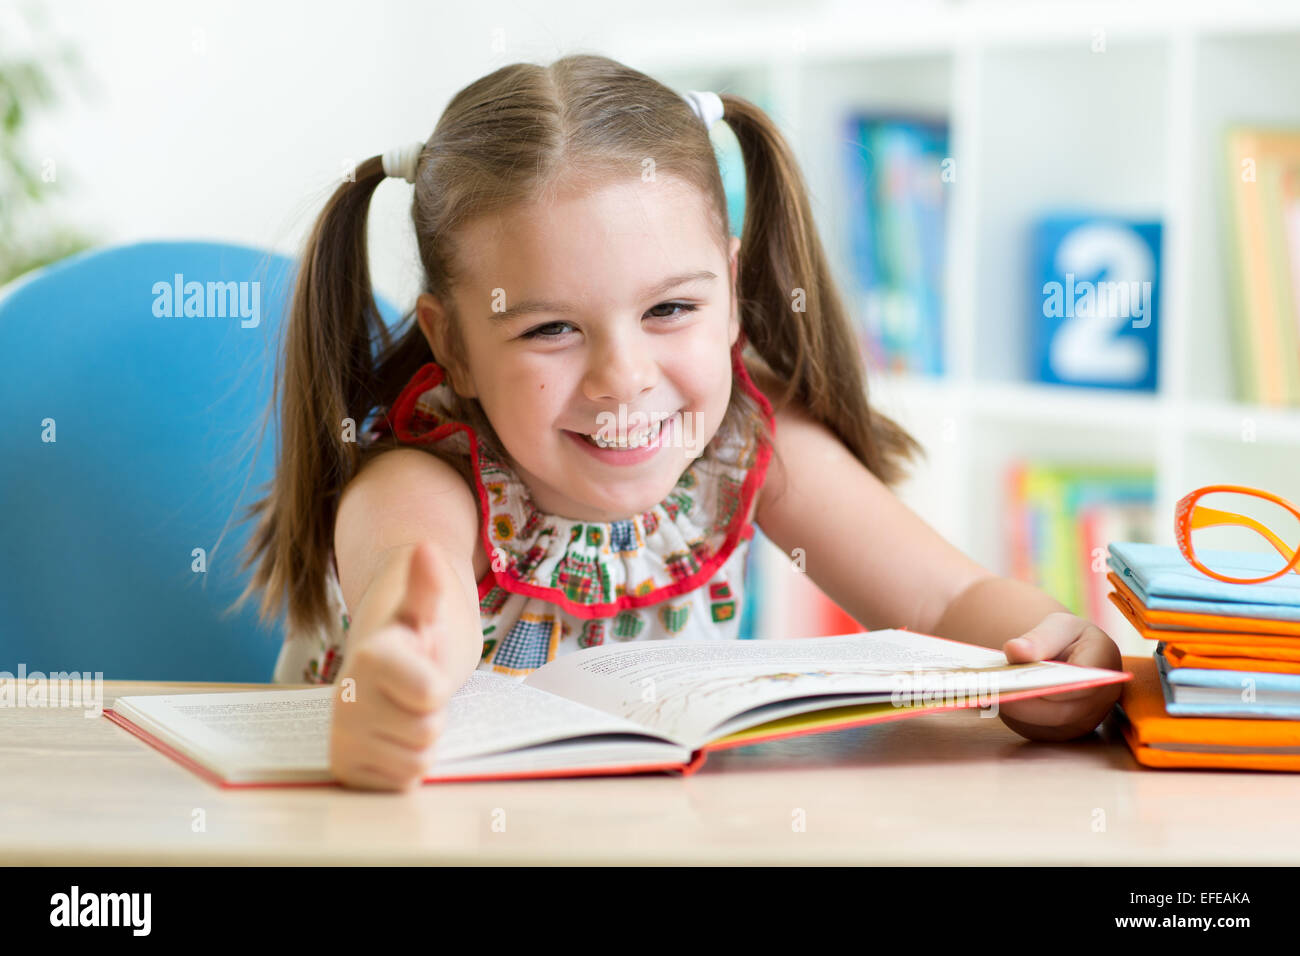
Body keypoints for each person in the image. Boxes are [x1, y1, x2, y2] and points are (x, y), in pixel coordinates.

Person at [235, 53, 1123, 791]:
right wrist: (396, 673)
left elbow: (945, 599)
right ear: (454, 347)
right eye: (550, 329)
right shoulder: (425, 475)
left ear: (731, 294)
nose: (624, 378)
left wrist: (1054, 653)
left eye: (668, 311)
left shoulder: (744, 444)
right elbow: (415, 592)